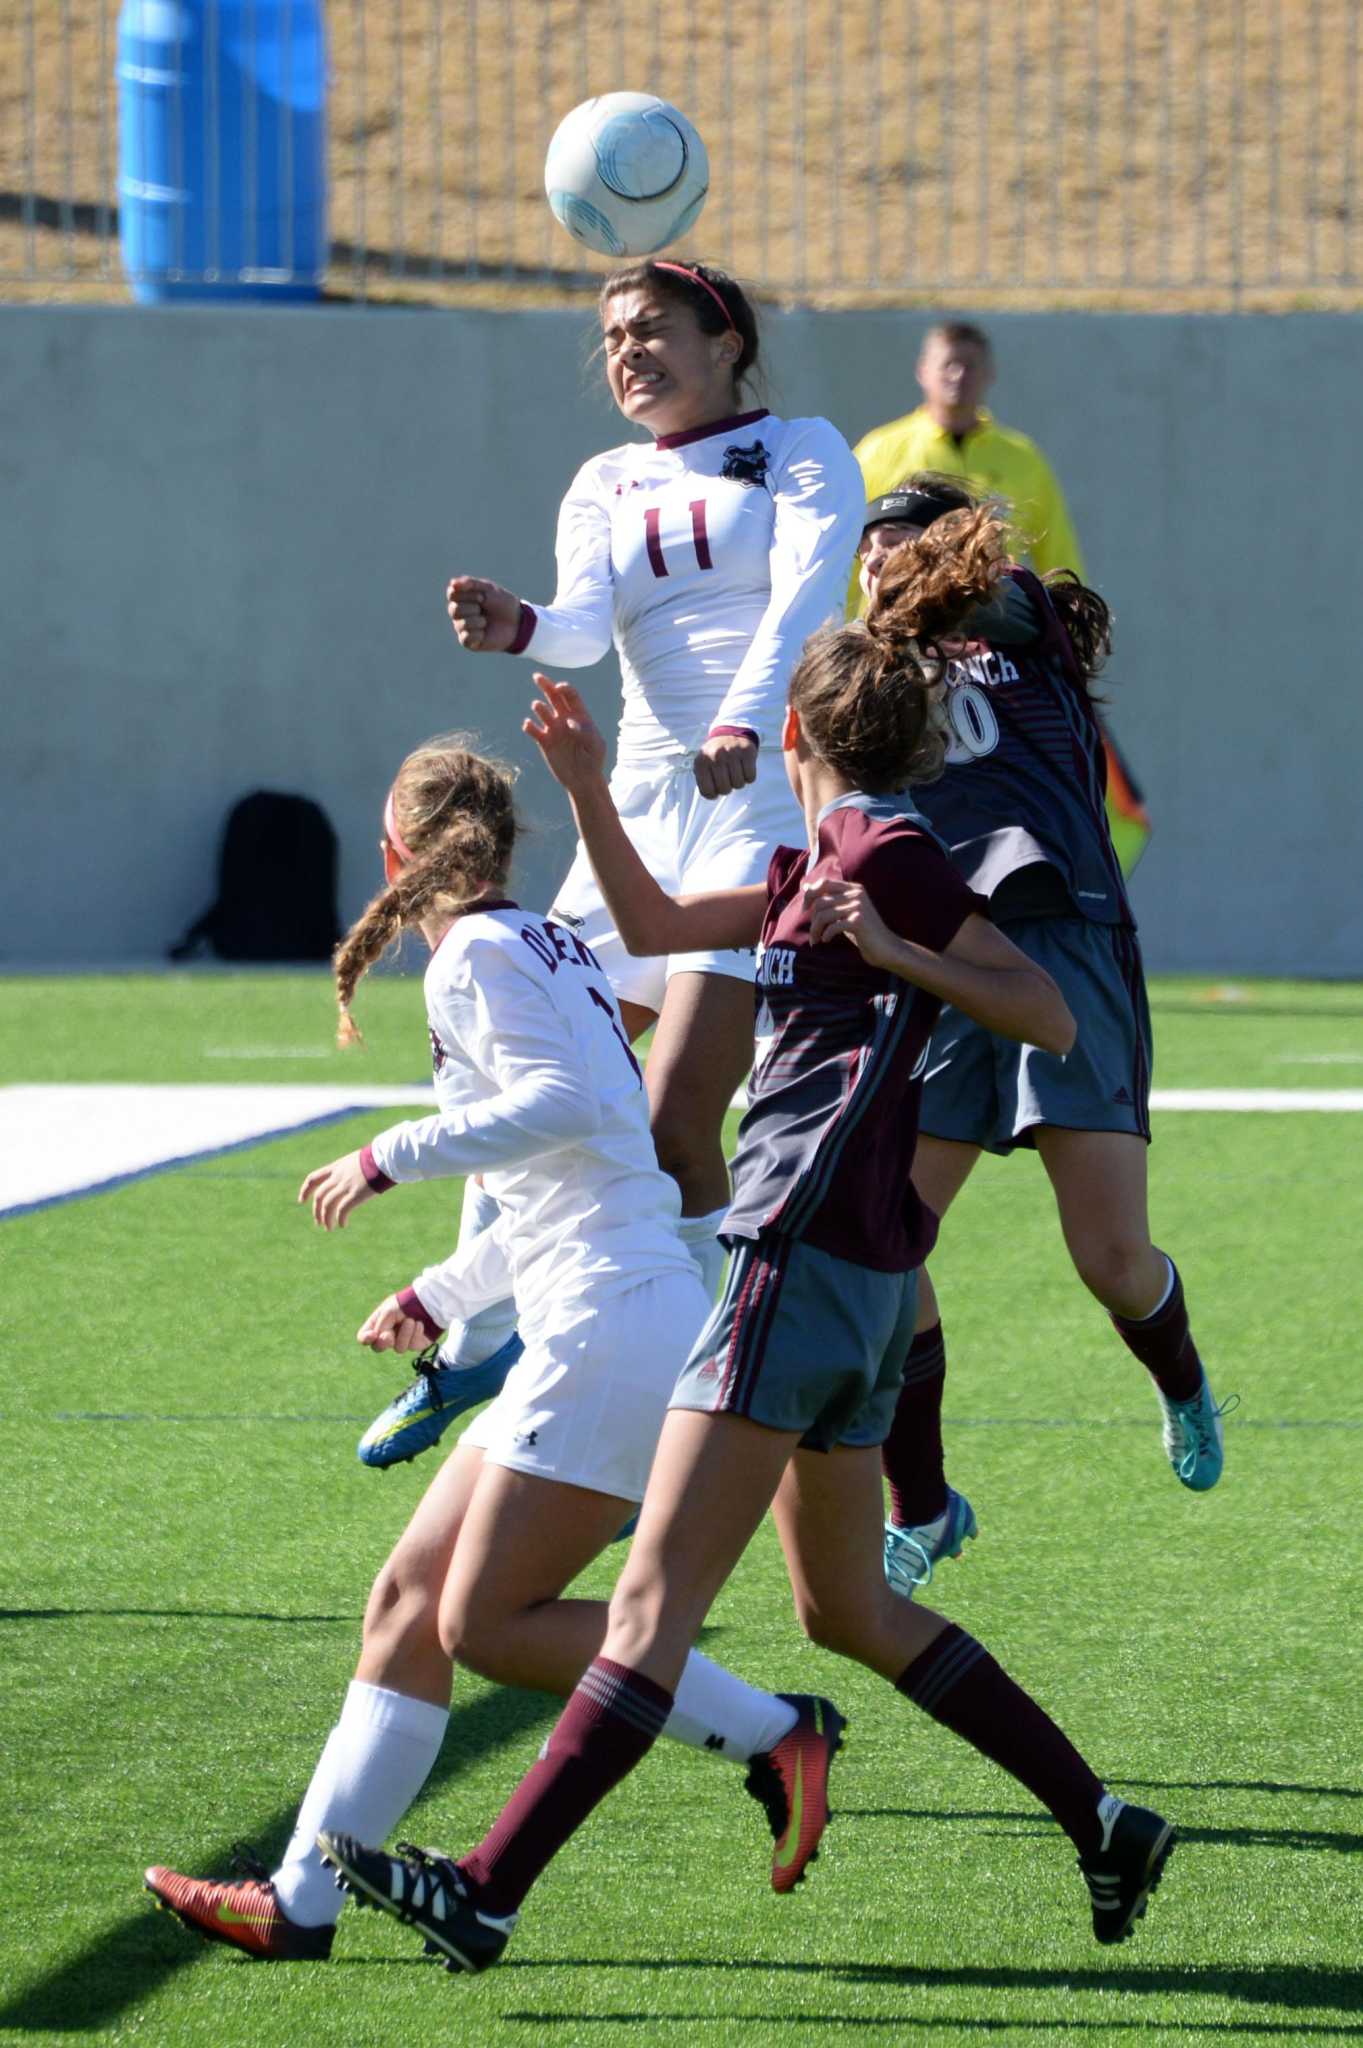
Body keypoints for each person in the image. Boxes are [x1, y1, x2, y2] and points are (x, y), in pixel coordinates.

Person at [317, 546, 1178, 1974]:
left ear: (790, 733)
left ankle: (484, 1889)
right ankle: (1101, 1819)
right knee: (844, 1607)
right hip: (853, 1285)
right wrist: (590, 782)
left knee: (649, 1606)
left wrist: (903, 957)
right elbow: (652, 929)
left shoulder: (884, 858)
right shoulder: (808, 867)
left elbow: (1044, 1014)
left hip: (795, 1267)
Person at [143, 734, 847, 1963]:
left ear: (395, 857)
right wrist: (440, 1286)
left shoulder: (472, 952)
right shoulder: (546, 943)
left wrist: (387, 1154)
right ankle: (300, 1902)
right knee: (408, 1601)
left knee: (490, 1624)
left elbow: (567, 1112)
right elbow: (571, 1175)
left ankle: (780, 1729)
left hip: (609, 1328)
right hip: (602, 1306)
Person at [358, 258, 866, 1474]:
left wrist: (747, 719)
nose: (627, 351)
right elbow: (585, 623)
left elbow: (807, 595)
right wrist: (520, 622)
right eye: (612, 335)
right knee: (528, 1084)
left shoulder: (801, 446)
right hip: (632, 802)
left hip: (754, 801)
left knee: (675, 1116)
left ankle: (684, 1415)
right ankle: (476, 1339)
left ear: (726, 337)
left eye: (651, 328)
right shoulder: (604, 478)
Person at [852, 480, 1229, 1605]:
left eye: (899, 546)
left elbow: (984, 588)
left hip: (1065, 937)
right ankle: (921, 1501)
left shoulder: (1015, 611)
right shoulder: (866, 671)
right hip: (951, 951)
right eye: (865, 552)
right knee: (886, 1245)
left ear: (952, 550)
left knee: (1109, 1259)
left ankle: (1183, 1378)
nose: (877, 567)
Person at [851, 321, 1151, 875]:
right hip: (907, 668)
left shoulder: (1022, 458)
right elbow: (856, 573)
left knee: (1089, 810)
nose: (958, 377)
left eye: (970, 365)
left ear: (990, 374)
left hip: (1006, 667)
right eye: (947, 364)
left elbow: (1060, 568)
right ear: (923, 372)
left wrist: (1056, 648)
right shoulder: (879, 451)